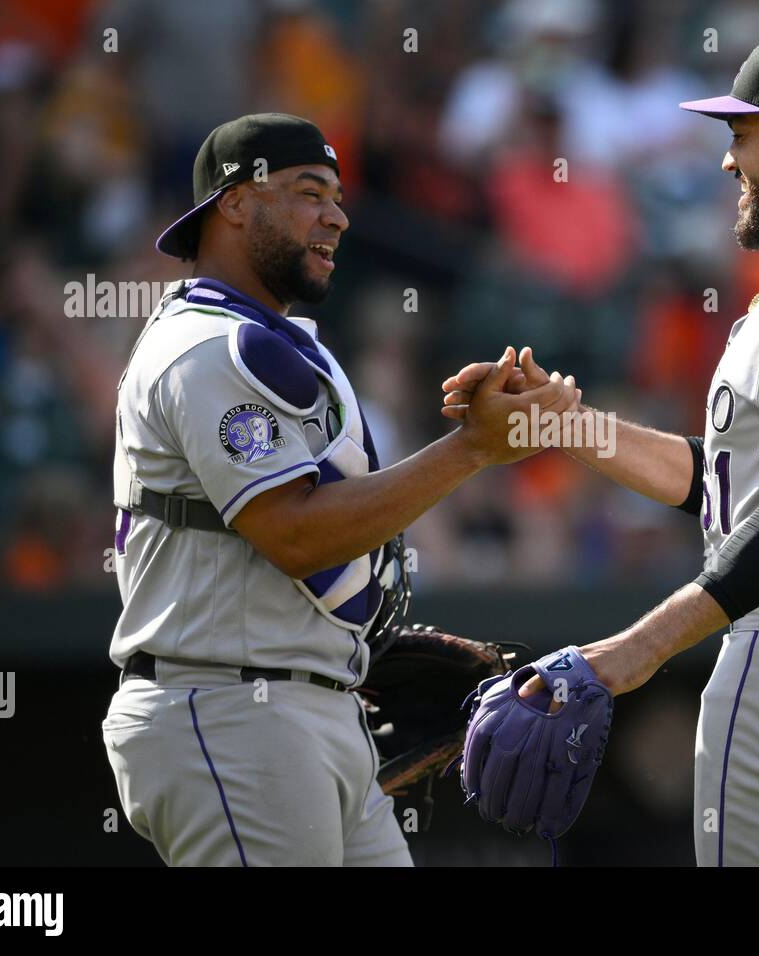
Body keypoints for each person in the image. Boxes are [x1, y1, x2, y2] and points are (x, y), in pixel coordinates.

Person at [445, 31, 759, 866]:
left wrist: (632, 651)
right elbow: (741, 483)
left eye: (743, 135)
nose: (728, 163)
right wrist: (559, 423)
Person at [103, 113, 576, 866]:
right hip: (230, 710)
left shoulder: (271, 339)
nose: (337, 215)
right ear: (234, 203)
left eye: (337, 195)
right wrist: (471, 451)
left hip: (299, 705)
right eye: (307, 191)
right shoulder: (206, 348)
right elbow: (296, 534)